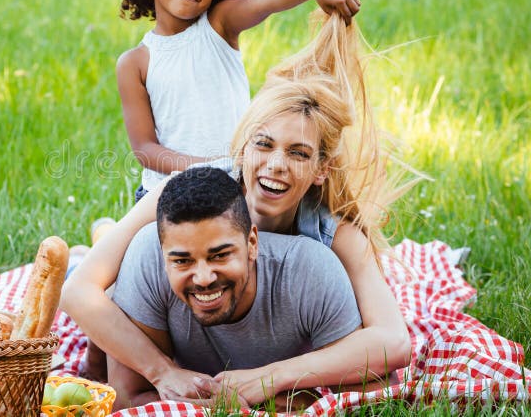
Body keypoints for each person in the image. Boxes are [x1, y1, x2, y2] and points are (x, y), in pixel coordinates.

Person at [62, 11, 416, 407]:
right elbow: (78, 292)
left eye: (298, 153)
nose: (276, 164)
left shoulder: (333, 237)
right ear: (243, 147)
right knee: (110, 290)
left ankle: (101, 237)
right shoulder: (195, 190)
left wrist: (274, 375)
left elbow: (392, 340)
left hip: (258, 339)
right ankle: (94, 243)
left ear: (321, 170)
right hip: (171, 304)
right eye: (263, 145)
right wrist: (164, 371)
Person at [112, 0, 360, 201]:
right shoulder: (134, 63)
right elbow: (146, 149)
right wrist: (210, 169)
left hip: (238, 189)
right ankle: (95, 244)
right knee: (137, 248)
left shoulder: (219, 24)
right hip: (166, 195)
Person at [108, 167, 363, 410]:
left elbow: (372, 390)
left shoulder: (310, 271)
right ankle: (95, 241)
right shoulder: (147, 256)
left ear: (252, 242)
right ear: (162, 256)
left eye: (219, 255)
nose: (204, 278)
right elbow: (126, 399)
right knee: (103, 316)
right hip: (133, 291)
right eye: (182, 261)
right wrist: (230, 406)